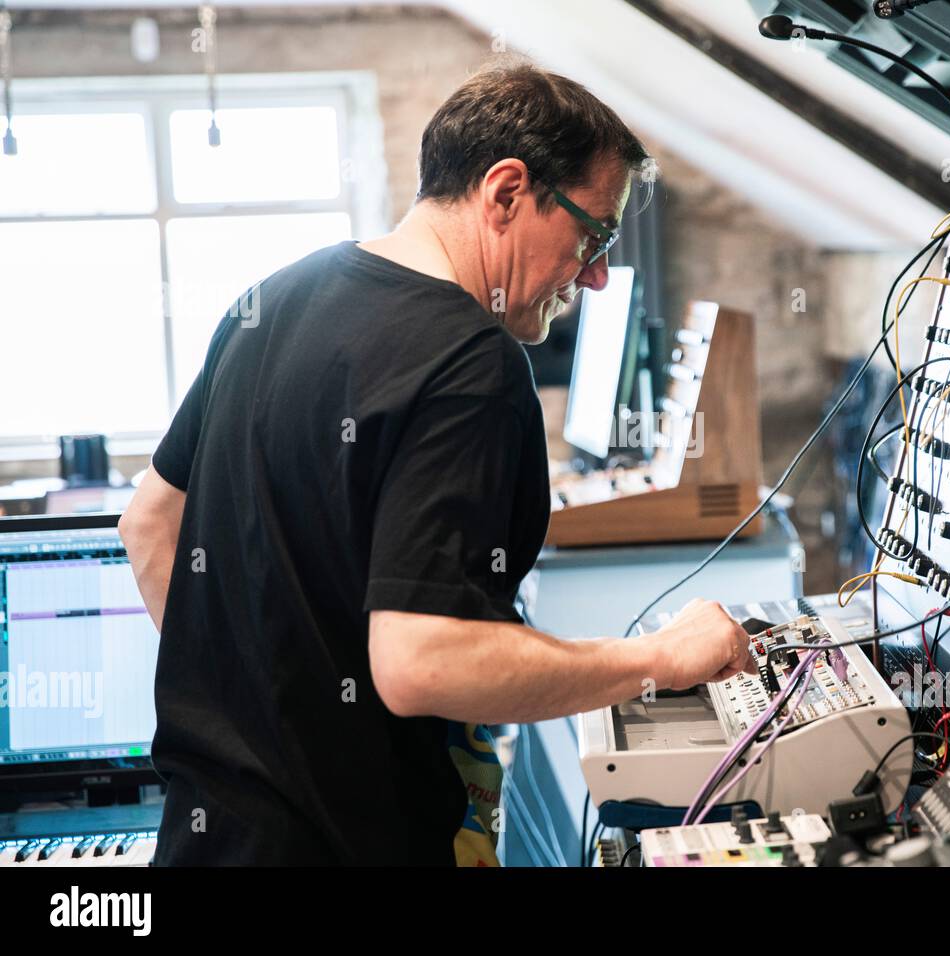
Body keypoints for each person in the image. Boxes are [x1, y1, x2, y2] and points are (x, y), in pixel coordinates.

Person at [120, 63, 755, 865]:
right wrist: (659, 660)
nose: (595, 276)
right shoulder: (471, 362)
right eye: (593, 235)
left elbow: (147, 526)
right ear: (505, 192)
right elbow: (422, 661)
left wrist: (263, 717)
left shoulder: (271, 300)